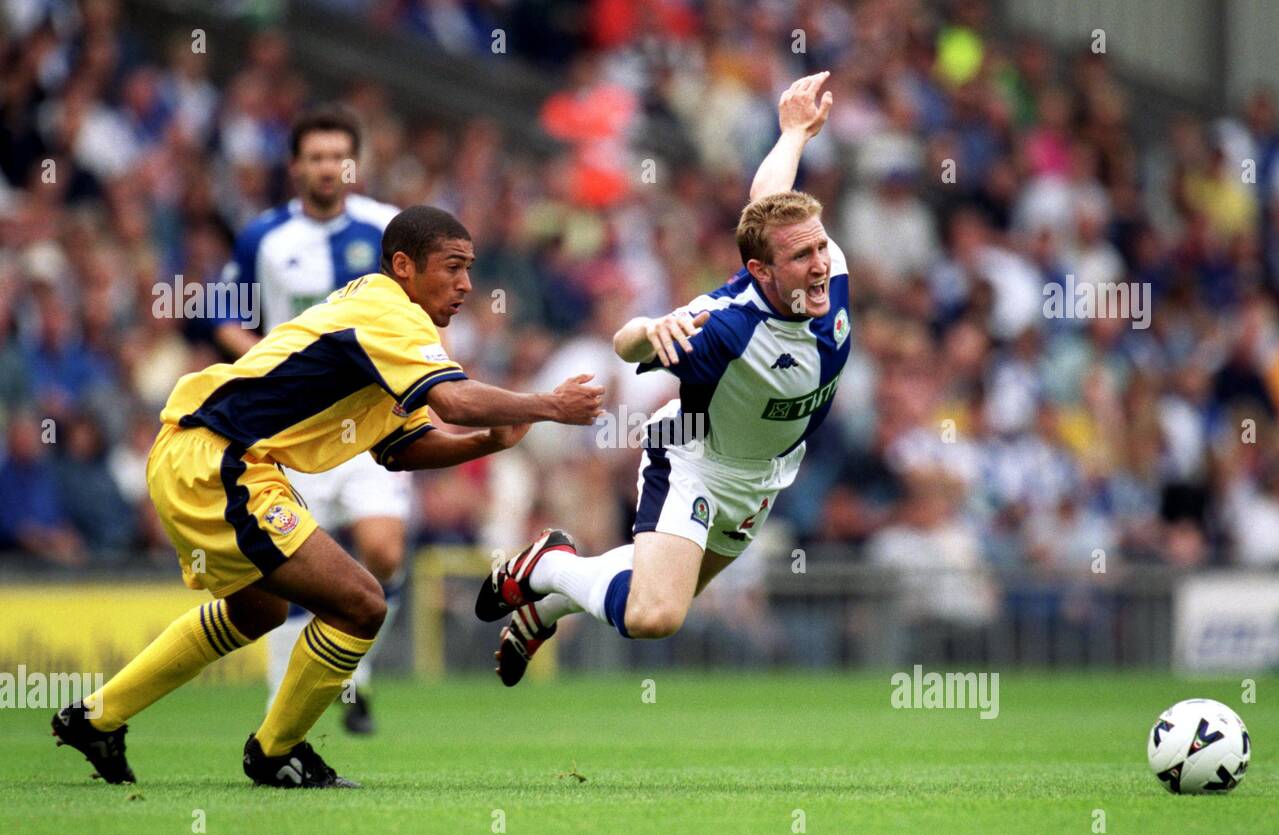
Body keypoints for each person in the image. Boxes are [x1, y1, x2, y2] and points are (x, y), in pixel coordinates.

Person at [52, 206, 605, 787]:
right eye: (453, 267)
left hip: (212, 455)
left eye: (470, 268)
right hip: (222, 458)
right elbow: (455, 402)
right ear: (404, 267)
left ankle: (97, 718)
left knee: (258, 609)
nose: (467, 284)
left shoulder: (389, 320)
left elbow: (401, 447)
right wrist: (549, 406)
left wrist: (488, 442)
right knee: (361, 603)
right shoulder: (391, 313)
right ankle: (275, 752)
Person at [475, 73, 849, 684]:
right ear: (760, 270)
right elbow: (625, 346)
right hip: (697, 459)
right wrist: (649, 327)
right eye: (802, 259)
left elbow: (769, 197)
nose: (818, 269)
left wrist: (792, 134)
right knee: (655, 614)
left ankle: (548, 609)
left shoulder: (827, 267)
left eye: (820, 253)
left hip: (765, 473)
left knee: (663, 583)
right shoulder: (723, 326)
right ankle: (549, 566)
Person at [213, 106, 408, 734]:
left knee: (383, 549)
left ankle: (354, 676)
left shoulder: (388, 229)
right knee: (291, 568)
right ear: (296, 166)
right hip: (290, 431)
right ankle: (282, 708)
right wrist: (274, 367)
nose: (328, 168)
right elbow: (224, 317)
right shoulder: (262, 238)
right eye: (316, 157)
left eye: (339, 156)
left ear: (355, 163)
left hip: (370, 420)